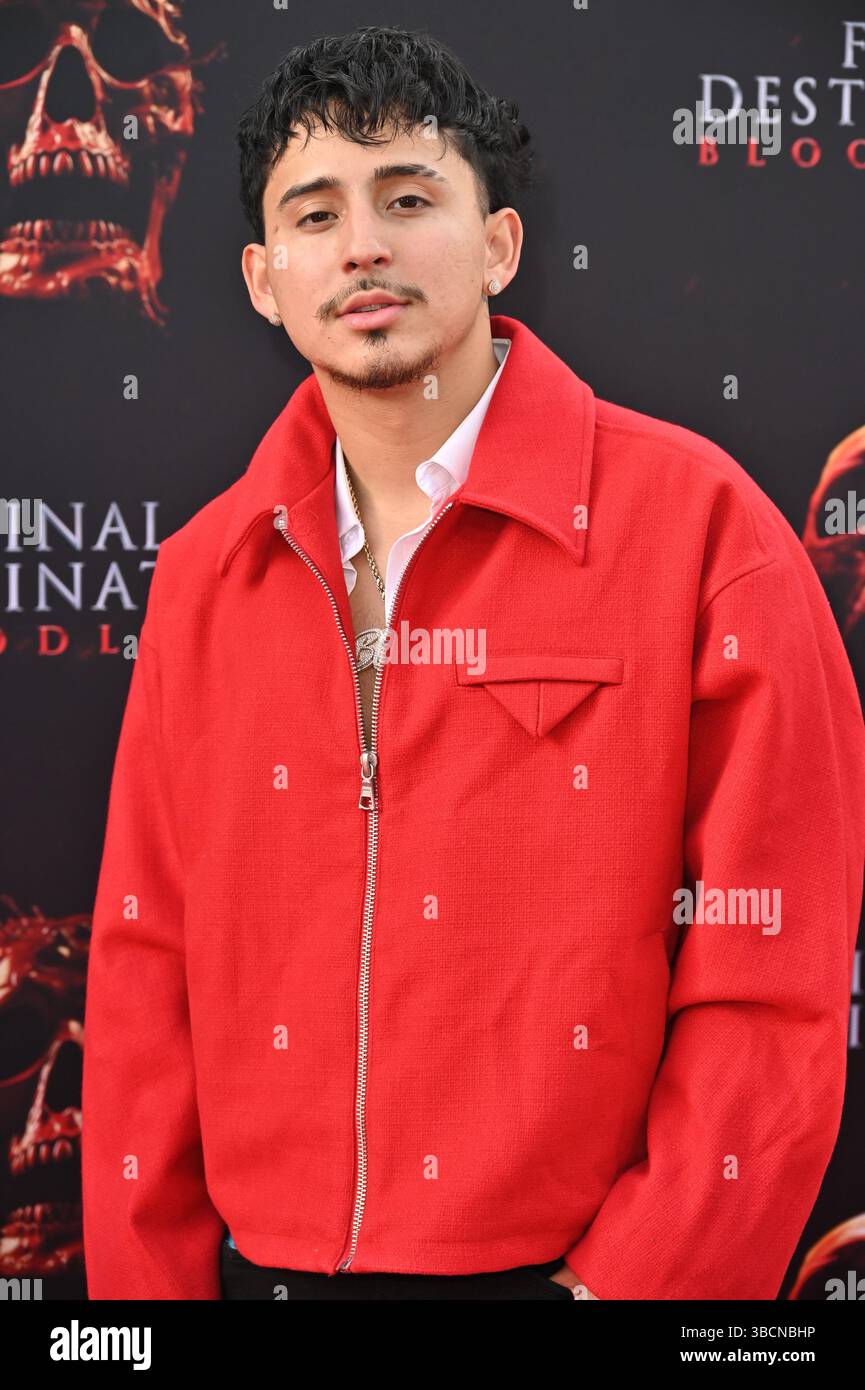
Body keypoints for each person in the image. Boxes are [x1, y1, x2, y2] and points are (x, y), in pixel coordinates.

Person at [81, 24, 865, 1301]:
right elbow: (140, 977)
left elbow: (769, 989)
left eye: (408, 197)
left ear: (498, 243)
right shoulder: (200, 577)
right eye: (314, 212)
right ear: (263, 278)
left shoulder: (706, 536)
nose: (362, 246)